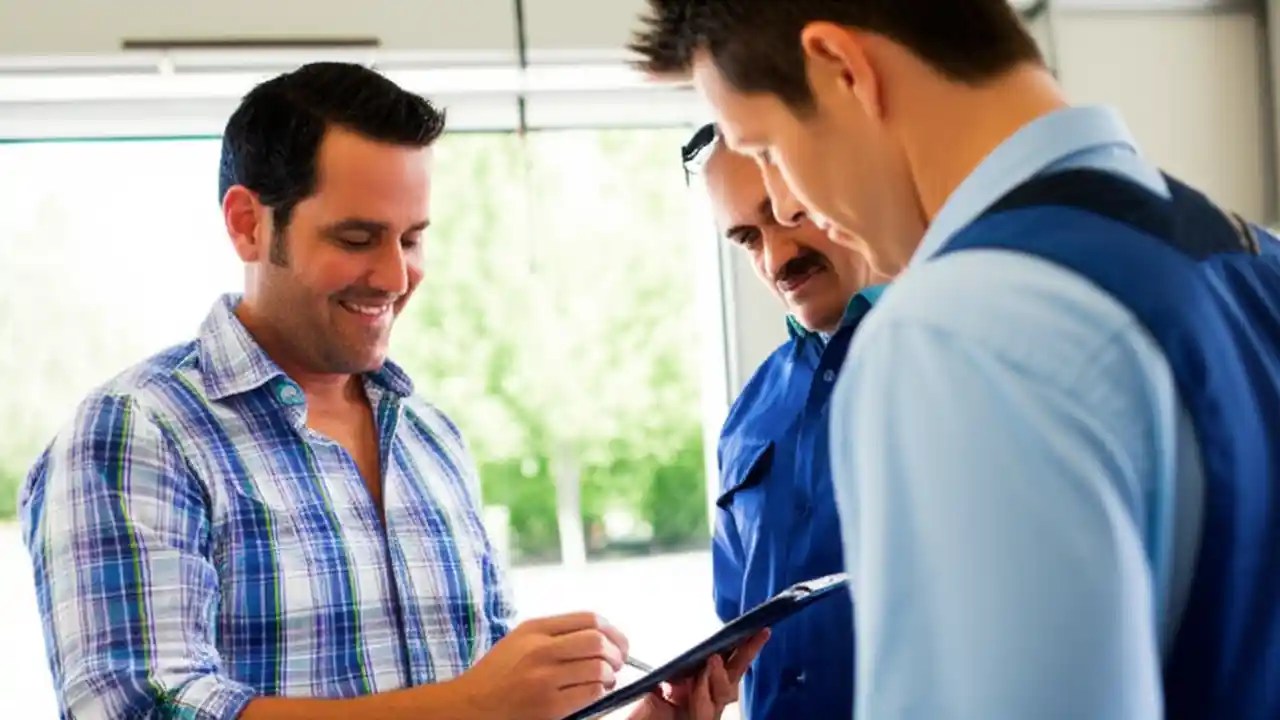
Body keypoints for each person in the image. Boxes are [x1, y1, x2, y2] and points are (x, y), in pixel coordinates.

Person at [20, 61, 763, 720]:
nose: (395, 277)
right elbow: (146, 711)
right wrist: (472, 704)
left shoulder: (431, 439)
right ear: (249, 225)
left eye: (411, 238)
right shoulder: (136, 433)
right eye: (356, 238)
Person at [631, 2, 1280, 719]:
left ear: (844, 69)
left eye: (766, 150)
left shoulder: (956, 328)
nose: (787, 203)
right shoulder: (1258, 264)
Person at [684, 122, 888, 719]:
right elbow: (736, 627)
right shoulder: (749, 414)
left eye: (785, 213)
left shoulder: (953, 360)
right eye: (748, 237)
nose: (776, 258)